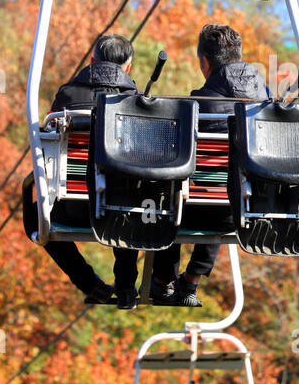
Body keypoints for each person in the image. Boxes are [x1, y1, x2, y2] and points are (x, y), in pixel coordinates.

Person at [150, 23, 271, 307]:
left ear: (205, 62)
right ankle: (191, 281)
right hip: (250, 208)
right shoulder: (268, 105)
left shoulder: (196, 108)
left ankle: (163, 280)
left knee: (167, 188)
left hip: (194, 210)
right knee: (227, 189)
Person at [21, 33, 142, 309]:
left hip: (72, 206)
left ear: (92, 61)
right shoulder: (137, 103)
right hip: (119, 210)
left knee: (40, 220)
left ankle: (89, 284)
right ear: (128, 67)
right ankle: (125, 286)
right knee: (131, 194)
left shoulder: (66, 96)